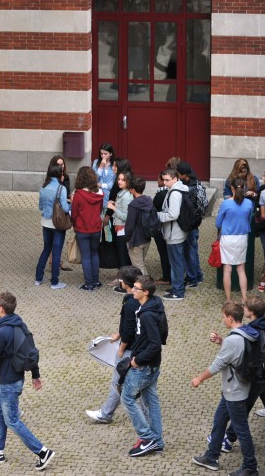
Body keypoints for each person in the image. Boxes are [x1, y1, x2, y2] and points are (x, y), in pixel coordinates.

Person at [0, 292, 56, 471]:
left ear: (1, 309)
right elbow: (31, 351)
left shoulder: (2, 332)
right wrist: (35, 375)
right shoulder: (20, 324)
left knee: (12, 420)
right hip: (15, 379)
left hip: (9, 383)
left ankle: (42, 452)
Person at [222, 293, 265, 459]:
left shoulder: (252, 331)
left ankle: (228, 440)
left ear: (251, 312)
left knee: (243, 408)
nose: (244, 309)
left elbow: (243, 354)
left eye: (246, 308)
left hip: (257, 377)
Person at [191, 301, 257, 474]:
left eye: (223, 317)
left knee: (242, 430)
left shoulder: (233, 340)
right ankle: (211, 457)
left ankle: (250, 467)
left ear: (230, 318)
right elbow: (236, 355)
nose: (222, 320)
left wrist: (199, 379)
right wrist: (222, 341)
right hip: (233, 389)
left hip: (235, 391)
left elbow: (217, 365)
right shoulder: (246, 332)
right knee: (219, 421)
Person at [86, 265, 143, 424]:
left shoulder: (131, 303)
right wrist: (118, 334)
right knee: (138, 384)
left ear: (125, 282)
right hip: (137, 348)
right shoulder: (135, 299)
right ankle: (145, 413)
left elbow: (130, 328)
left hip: (130, 349)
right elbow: (126, 323)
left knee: (119, 382)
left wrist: (121, 347)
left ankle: (106, 414)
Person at [121, 274, 166, 456]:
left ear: (145, 292)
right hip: (152, 365)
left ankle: (147, 438)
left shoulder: (147, 315)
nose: (133, 290)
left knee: (127, 398)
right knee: (150, 401)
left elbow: (155, 343)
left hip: (144, 366)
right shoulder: (153, 306)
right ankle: (157, 440)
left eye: (136, 288)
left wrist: (137, 360)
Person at [216, 177, 255, 303]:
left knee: (227, 269)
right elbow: (249, 220)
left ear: (231, 188)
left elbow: (218, 223)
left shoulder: (226, 203)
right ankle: (244, 297)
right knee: (241, 269)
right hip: (242, 236)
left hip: (227, 237)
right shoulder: (249, 203)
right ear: (244, 188)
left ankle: (228, 299)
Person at [34, 164, 69, 290]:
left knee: (46, 249)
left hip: (45, 222)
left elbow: (40, 206)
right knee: (57, 252)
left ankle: (38, 278)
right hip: (57, 223)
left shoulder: (43, 187)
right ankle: (54, 282)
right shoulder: (61, 188)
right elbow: (64, 207)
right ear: (60, 174)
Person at [71, 166, 104, 291]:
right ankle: (96, 281)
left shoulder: (78, 195)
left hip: (82, 229)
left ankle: (88, 283)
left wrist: (75, 224)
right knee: (94, 254)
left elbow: (74, 213)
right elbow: (100, 210)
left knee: (85, 256)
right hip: (96, 228)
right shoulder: (99, 194)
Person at [157, 169, 188, 300]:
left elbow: (173, 214)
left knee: (176, 264)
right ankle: (177, 286)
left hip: (174, 233)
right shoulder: (181, 189)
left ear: (175, 179)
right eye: (163, 179)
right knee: (177, 262)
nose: (164, 182)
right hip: (177, 231)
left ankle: (178, 292)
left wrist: (157, 215)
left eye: (167, 180)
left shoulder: (175, 193)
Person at [177, 161, 206, 289]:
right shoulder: (198, 182)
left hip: (189, 223)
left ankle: (192, 278)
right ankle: (198, 275)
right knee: (193, 250)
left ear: (184, 175)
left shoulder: (189, 188)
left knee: (189, 251)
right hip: (195, 222)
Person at [106, 169, 133, 282]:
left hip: (122, 228)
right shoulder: (121, 193)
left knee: (123, 255)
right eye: (119, 179)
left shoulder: (126, 196)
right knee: (121, 253)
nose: (120, 181)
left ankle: (124, 281)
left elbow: (126, 216)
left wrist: (113, 208)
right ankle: (122, 278)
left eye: (123, 180)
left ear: (128, 182)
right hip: (119, 228)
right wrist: (116, 204)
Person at [125, 176, 153, 276]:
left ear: (132, 189)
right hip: (147, 238)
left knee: (139, 268)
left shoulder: (133, 205)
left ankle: (146, 288)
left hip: (136, 240)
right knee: (141, 264)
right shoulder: (149, 200)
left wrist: (127, 238)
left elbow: (129, 225)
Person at [92, 143, 115, 208]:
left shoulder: (114, 165)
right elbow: (94, 179)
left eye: (105, 154)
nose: (103, 156)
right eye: (101, 154)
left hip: (109, 194)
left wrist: (101, 185)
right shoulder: (96, 162)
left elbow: (114, 182)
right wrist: (101, 167)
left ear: (110, 154)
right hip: (97, 192)